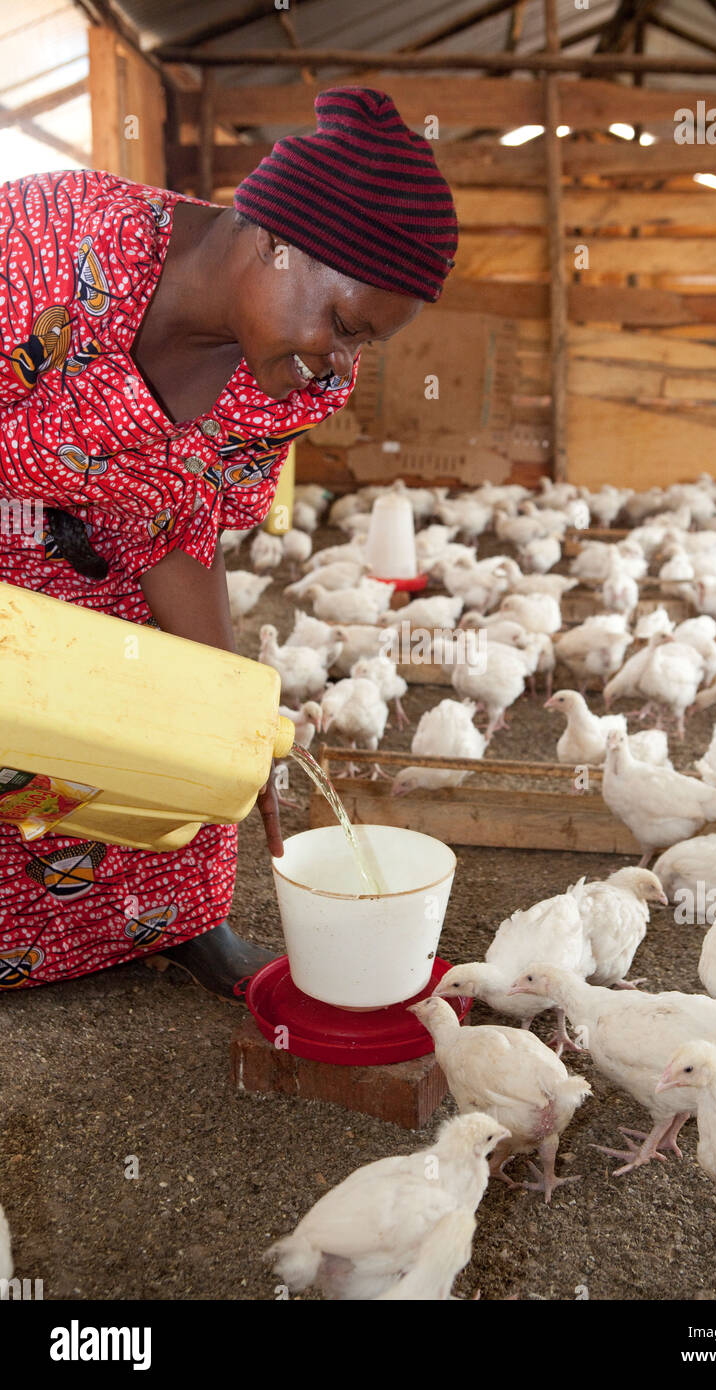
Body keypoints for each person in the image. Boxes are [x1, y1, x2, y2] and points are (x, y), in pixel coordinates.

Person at [0, 87, 457, 998]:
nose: (341, 364)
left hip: (109, 578)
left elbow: (181, 531)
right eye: (346, 324)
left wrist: (229, 719)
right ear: (277, 239)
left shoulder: (287, 384)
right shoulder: (46, 244)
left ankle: (179, 922)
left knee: (182, 722)